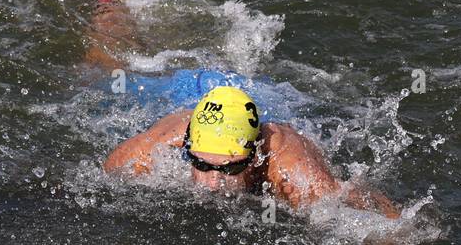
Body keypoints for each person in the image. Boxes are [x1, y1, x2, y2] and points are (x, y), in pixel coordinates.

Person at [104, 85, 400, 217]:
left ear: (255, 155)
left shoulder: (290, 170)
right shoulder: (149, 150)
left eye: (230, 168)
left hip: (274, 100)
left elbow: (377, 216)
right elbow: (101, 182)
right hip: (187, 90)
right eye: (202, 165)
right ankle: (106, 0)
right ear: (187, 147)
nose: (212, 184)